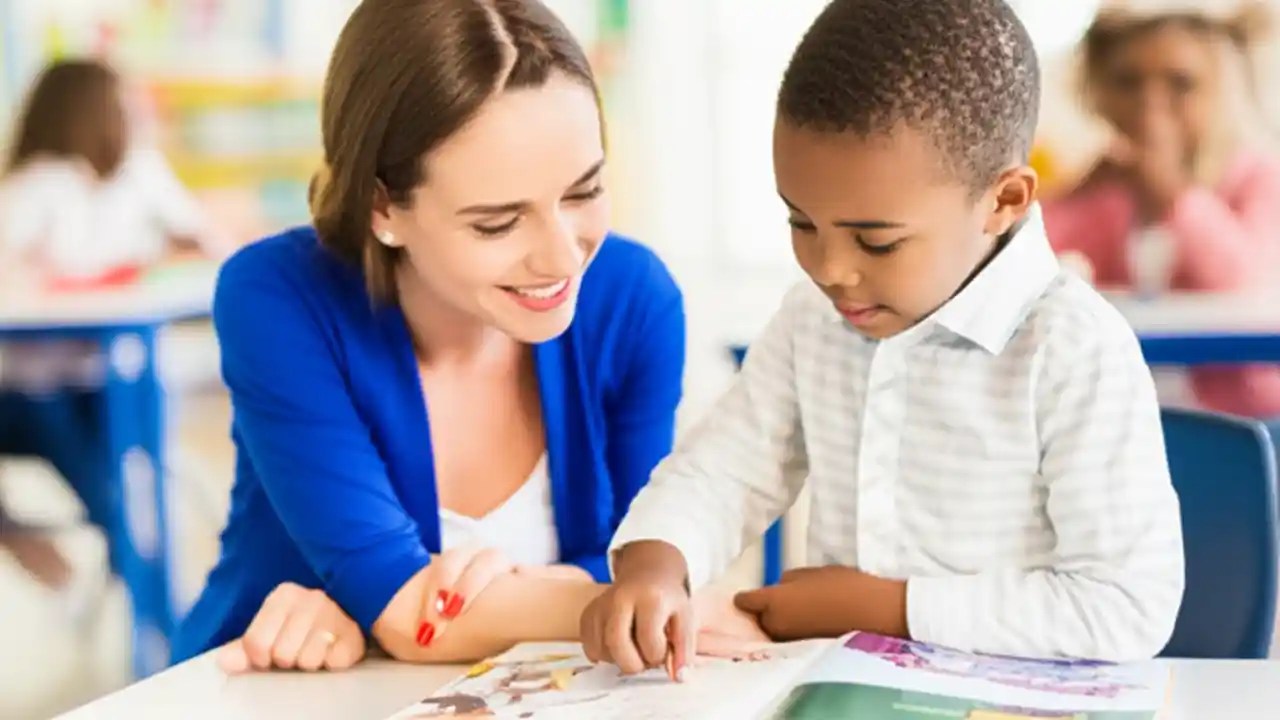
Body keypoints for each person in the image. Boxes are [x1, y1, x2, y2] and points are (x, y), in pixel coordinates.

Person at [582, 0, 1184, 677]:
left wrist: (883, 608)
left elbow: (1127, 606)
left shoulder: (1074, 349)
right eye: (802, 223)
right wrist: (658, 561)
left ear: (1003, 201)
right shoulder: (813, 320)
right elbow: (724, 469)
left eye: (877, 240)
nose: (832, 270)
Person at [173, 0, 762, 673]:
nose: (563, 257)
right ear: (382, 206)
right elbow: (410, 614)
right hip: (278, 690)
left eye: (583, 192)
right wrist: (599, 598)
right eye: (497, 223)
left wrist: (603, 589)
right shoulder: (279, 297)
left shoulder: (632, 300)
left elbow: (639, 551)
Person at [0, 59, 217, 597]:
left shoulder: (139, 173)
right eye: (126, 105)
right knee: (104, 476)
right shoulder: (38, 185)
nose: (140, 117)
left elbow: (198, 235)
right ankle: (139, 575)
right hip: (27, 386)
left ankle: (137, 567)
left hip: (102, 374)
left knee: (123, 460)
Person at [1043, 3, 1280, 422]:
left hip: (1240, 414)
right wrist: (1081, 192)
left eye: (1181, 83)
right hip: (1134, 409)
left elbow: (1240, 283)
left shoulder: (1258, 180)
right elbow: (1028, 256)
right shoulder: (1111, 189)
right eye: (1128, 82)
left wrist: (1174, 194)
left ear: (1219, 92)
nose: (1150, 102)